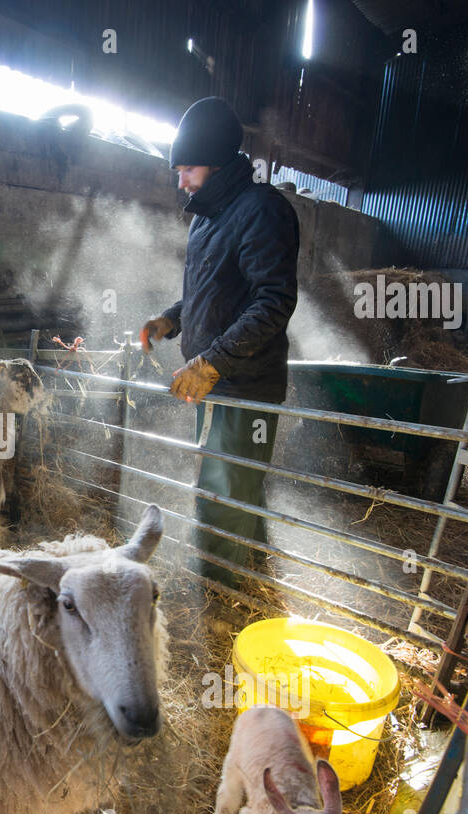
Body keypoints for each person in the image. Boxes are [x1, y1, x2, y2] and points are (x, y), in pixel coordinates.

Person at [140, 96, 299, 587]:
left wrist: (212, 362)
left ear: (219, 164)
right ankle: (254, 567)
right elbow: (210, 296)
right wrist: (171, 320)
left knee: (221, 491)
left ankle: (220, 594)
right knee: (231, 483)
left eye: (187, 169)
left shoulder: (262, 211)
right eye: (177, 170)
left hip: (243, 383)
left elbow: (273, 302)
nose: (180, 181)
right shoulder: (206, 220)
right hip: (211, 384)